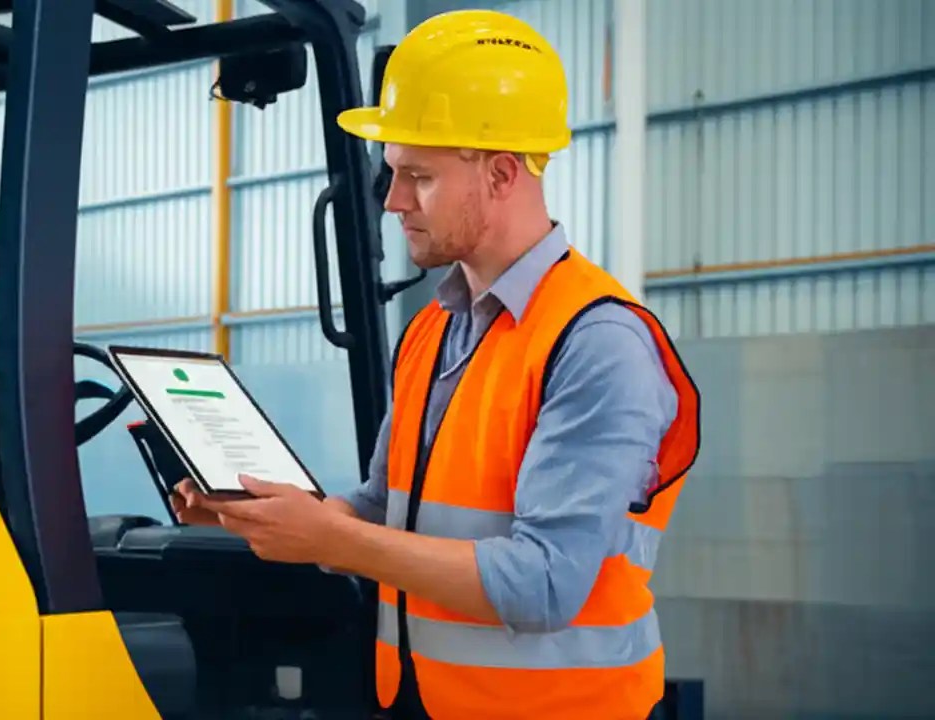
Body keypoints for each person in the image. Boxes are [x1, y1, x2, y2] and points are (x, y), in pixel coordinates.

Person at [173, 9, 701, 720]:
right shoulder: (432, 329)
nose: (391, 201)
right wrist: (263, 516)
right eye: (392, 173)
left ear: (503, 174)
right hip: (425, 702)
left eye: (416, 176)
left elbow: (544, 585)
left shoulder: (597, 341)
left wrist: (334, 538)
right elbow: (379, 513)